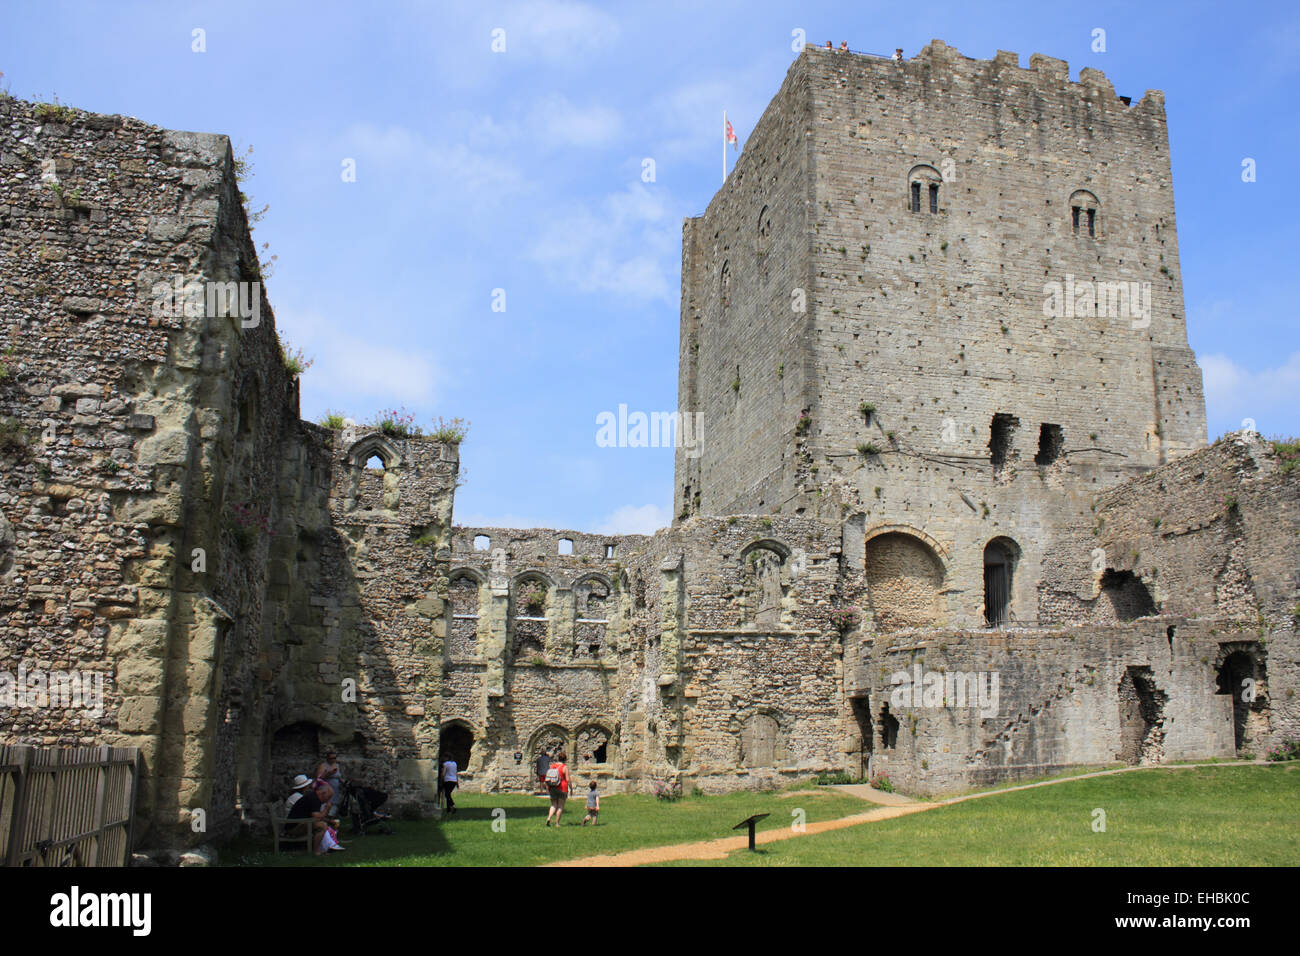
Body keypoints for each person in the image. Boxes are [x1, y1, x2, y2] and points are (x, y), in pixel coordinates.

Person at [287, 775, 342, 854]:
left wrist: (329, 820)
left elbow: (315, 816)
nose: (328, 800)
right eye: (328, 797)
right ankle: (317, 851)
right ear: (323, 793)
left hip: (300, 823)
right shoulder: (314, 799)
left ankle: (326, 846)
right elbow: (316, 817)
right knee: (321, 825)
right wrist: (326, 809)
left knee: (322, 824)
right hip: (294, 827)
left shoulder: (314, 797)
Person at [544, 750, 571, 827]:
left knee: (553, 805)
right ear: (565, 759)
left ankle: (549, 818)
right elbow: (568, 779)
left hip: (552, 787)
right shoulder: (564, 767)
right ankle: (557, 823)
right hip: (562, 787)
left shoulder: (552, 766)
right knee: (560, 806)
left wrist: (547, 787)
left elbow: (548, 777)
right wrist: (571, 788)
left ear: (558, 758)